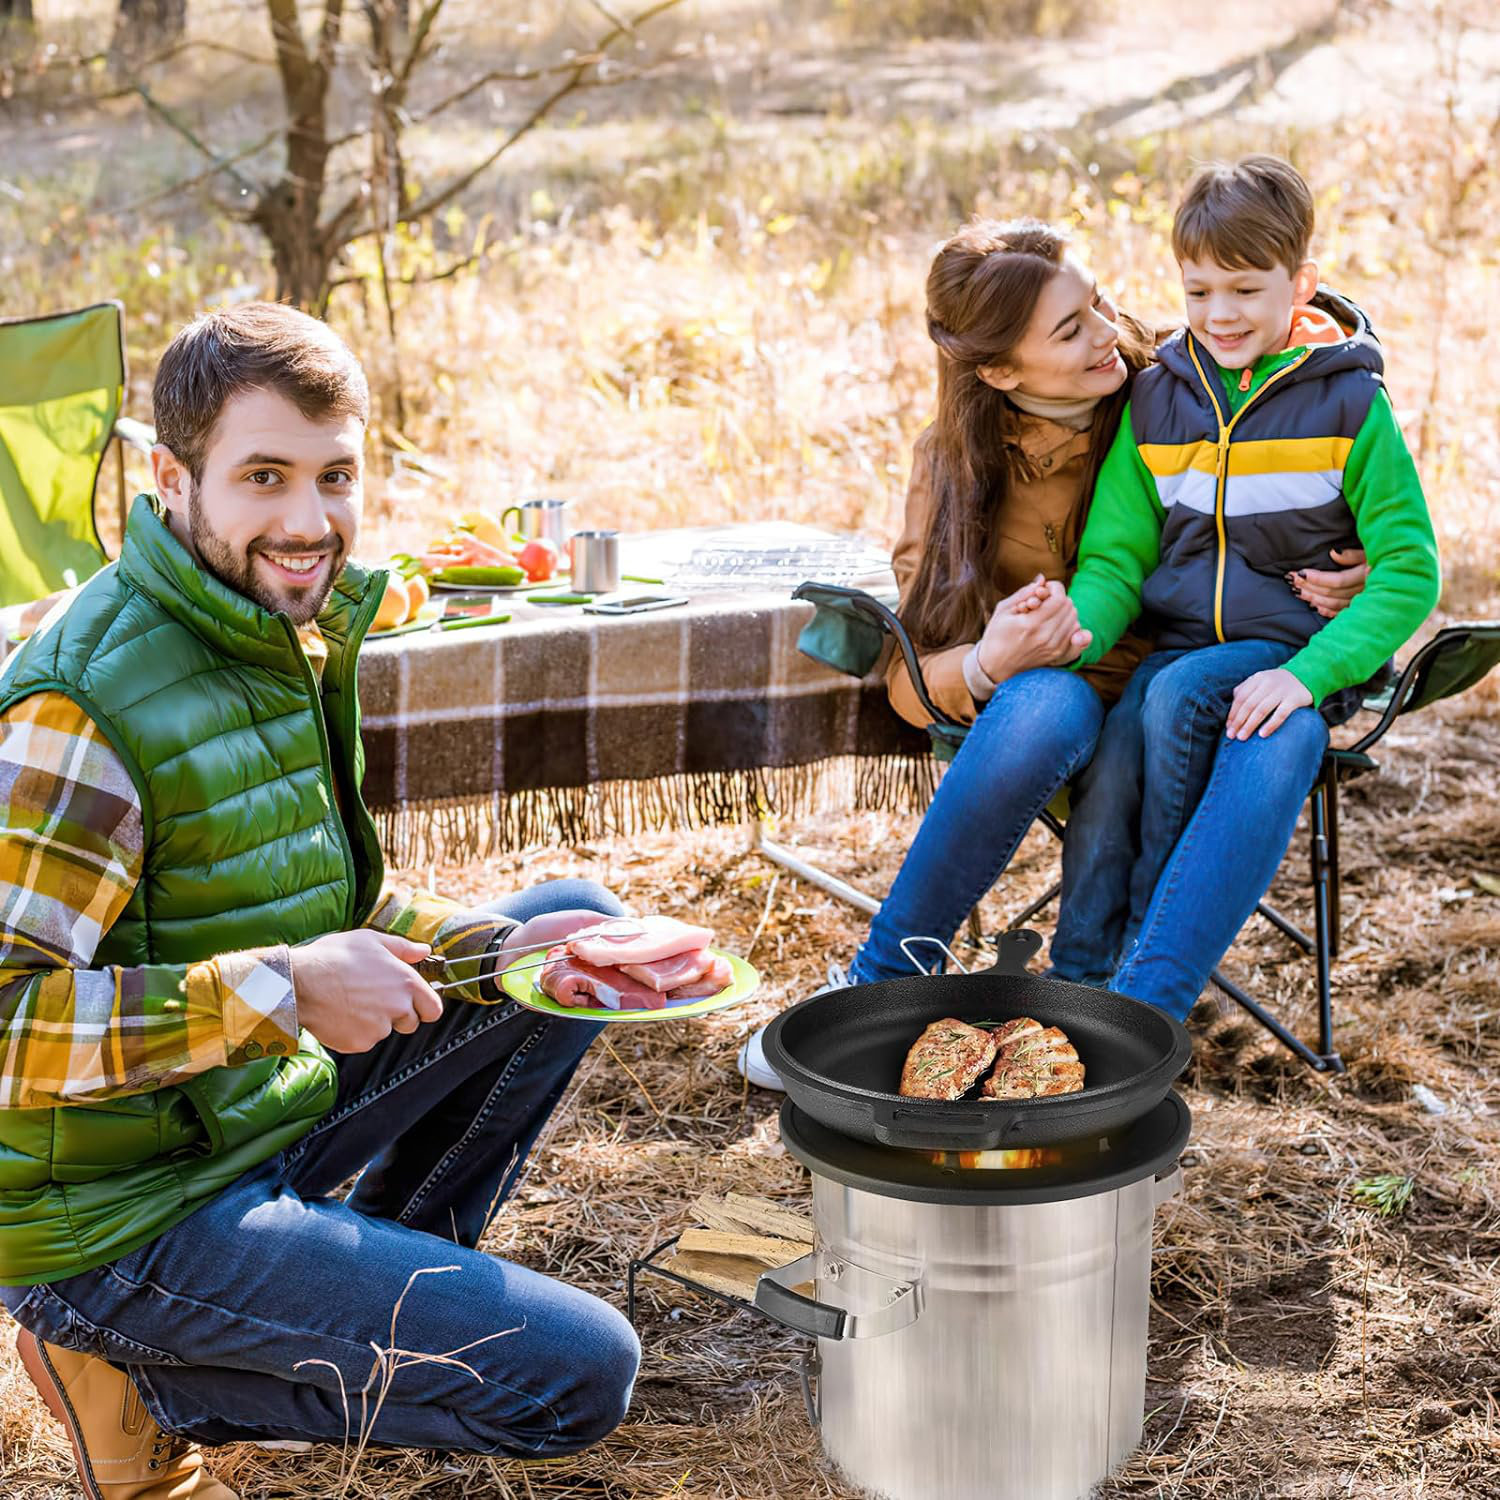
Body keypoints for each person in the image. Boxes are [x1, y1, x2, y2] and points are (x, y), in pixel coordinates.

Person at [0, 303, 640, 1499]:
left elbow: (342, 904)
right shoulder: (76, 712)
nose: (310, 521)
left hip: (237, 1110)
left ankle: (360, 1301)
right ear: (172, 480)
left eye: (335, 475)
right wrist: (284, 991)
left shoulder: (265, 629)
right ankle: (144, 1371)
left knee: (564, 929)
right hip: (109, 1220)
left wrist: (508, 950)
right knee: (580, 1376)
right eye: (263, 477)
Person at [737, 213, 1372, 1089]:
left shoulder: (1185, 389)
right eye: (1071, 330)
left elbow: (1331, 427)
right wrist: (992, 661)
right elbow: (909, 682)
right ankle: (876, 986)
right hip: (1060, 702)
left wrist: (1357, 569)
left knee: (1283, 729)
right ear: (999, 370)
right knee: (1045, 702)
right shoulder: (957, 464)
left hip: (1209, 687)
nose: (1110, 333)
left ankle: (1137, 1026)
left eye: (1101, 303)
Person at [1034, 154, 1441, 994]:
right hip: (1179, 651)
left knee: (1178, 694)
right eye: (1197, 291)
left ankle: (1140, 980)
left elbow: (1409, 570)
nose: (1218, 314)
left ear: (1301, 283)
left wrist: (1308, 675)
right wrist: (1074, 636)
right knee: (1118, 745)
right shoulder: (1157, 400)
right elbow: (1117, 557)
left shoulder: (1349, 405)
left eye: (1245, 289)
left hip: (1297, 653)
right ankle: (1076, 978)